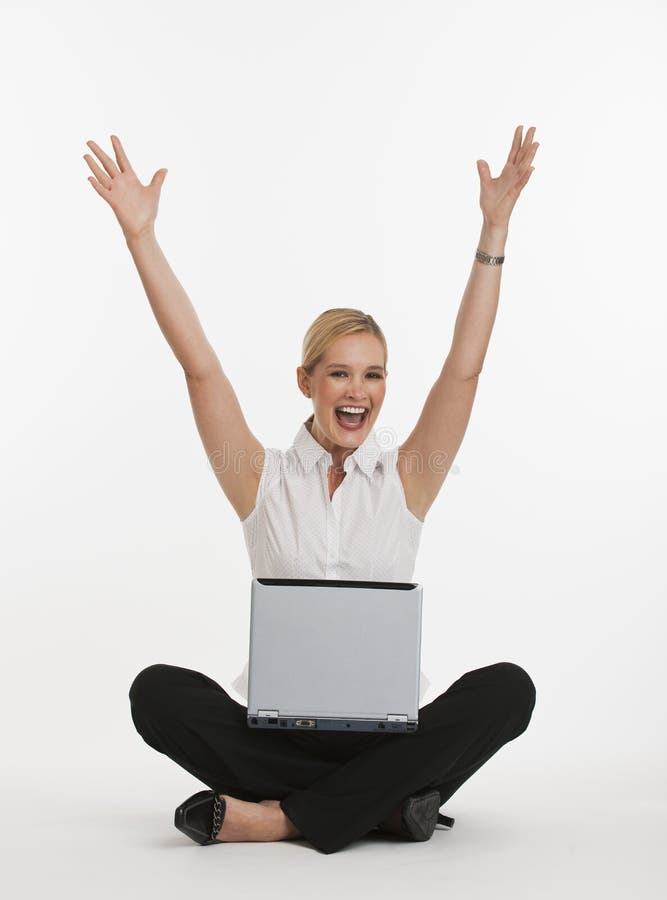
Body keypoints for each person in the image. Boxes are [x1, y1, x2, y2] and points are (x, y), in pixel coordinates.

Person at [84, 126, 540, 855]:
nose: (358, 391)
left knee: (508, 689)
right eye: (339, 373)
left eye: (374, 374)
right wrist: (142, 236)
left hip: (389, 732)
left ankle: (281, 818)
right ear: (307, 382)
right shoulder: (259, 476)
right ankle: (383, 809)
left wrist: (493, 230)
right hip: (277, 735)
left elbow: (462, 370)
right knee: (156, 692)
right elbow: (200, 367)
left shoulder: (406, 479)